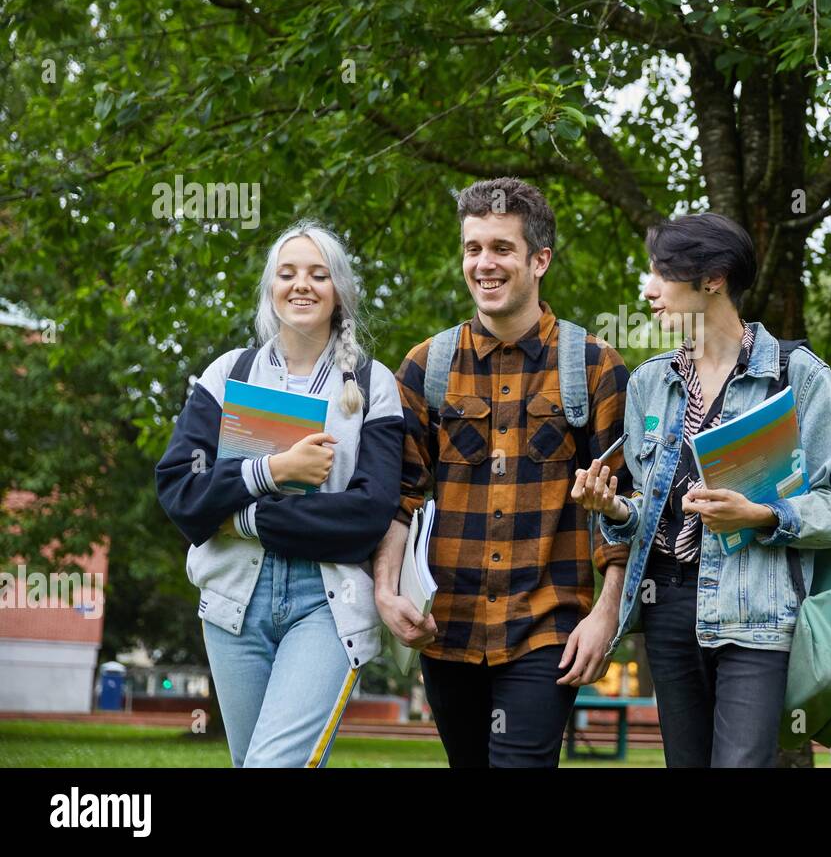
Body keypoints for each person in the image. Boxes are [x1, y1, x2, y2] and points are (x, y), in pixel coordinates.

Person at [573, 212, 831, 767]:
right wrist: (613, 508)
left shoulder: (798, 375)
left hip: (756, 613)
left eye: (662, 272)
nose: (648, 288)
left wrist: (762, 514)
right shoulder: (649, 383)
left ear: (713, 278)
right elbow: (652, 514)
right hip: (666, 609)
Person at [374, 177, 631, 768]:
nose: (484, 264)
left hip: (548, 624)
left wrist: (606, 614)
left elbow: (626, 507)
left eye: (501, 249)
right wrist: (386, 593)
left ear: (540, 260)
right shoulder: (427, 366)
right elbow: (401, 496)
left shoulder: (594, 367)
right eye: (473, 249)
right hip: (448, 628)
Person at [155, 223, 404, 766]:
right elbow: (180, 491)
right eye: (287, 273)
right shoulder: (229, 374)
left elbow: (367, 515)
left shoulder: (371, 383)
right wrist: (273, 470)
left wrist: (239, 518)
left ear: (340, 289)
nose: (302, 285)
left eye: (319, 274)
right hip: (232, 604)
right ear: (271, 287)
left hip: (326, 601)